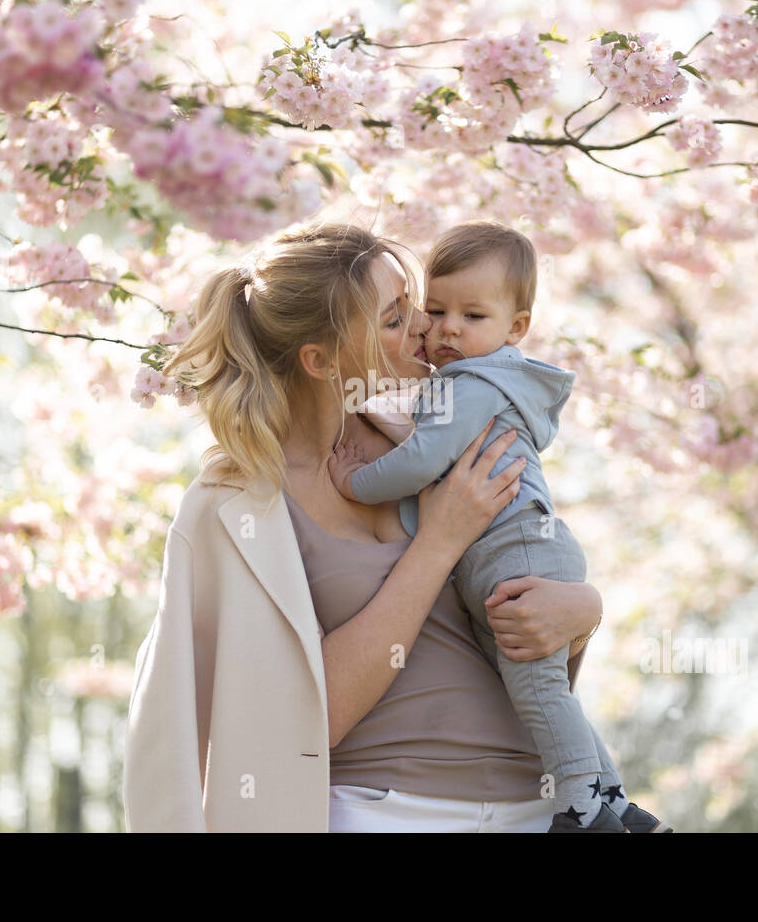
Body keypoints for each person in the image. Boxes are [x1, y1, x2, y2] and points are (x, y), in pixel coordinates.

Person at [123, 222, 611, 832]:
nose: (426, 329)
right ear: (322, 360)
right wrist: (435, 546)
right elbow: (285, 720)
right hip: (385, 814)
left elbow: (518, 609)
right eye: (393, 318)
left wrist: (583, 612)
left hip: (545, 809)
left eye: (415, 309)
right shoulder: (235, 507)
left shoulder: (437, 442)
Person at [328, 220, 670, 832]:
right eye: (435, 310)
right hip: (513, 556)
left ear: (516, 329)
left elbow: (424, 464)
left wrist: (357, 482)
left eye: (473, 317)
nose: (447, 328)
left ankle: (582, 805)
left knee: (536, 690)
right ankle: (613, 799)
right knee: (537, 692)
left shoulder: (476, 384)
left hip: (517, 553)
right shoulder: (460, 387)